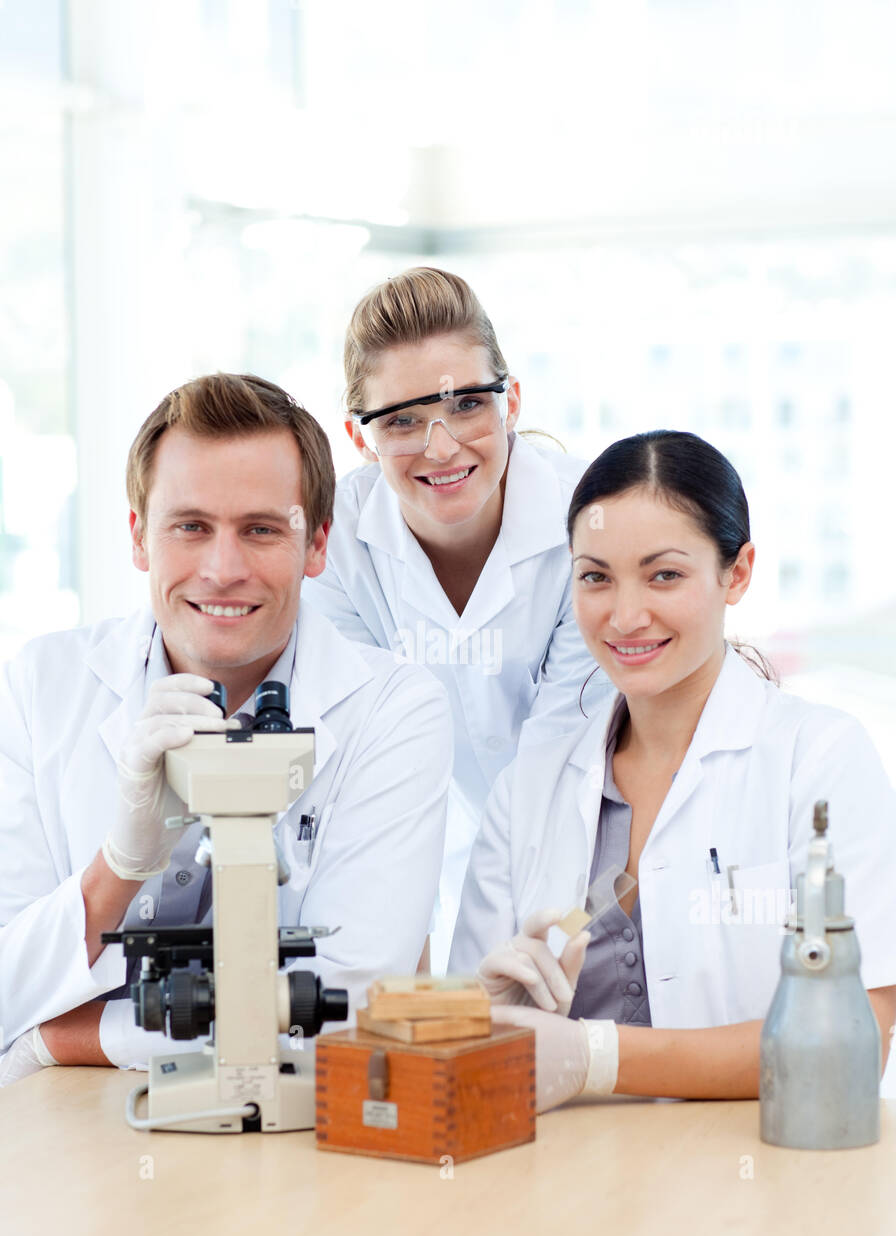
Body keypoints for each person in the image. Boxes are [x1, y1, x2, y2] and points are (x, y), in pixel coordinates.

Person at [0, 372, 452, 1085]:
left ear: (317, 546)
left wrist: (65, 1038)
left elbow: (356, 1013)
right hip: (66, 1149)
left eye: (262, 529)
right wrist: (119, 867)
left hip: (292, 1147)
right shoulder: (39, 688)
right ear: (138, 537)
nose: (223, 569)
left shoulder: (395, 710)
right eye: (190, 527)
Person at [448, 430, 896, 1111]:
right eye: (595, 576)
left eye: (665, 575)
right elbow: (463, 1056)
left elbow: (849, 1042)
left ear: (736, 573)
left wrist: (594, 1055)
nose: (626, 616)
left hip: (760, 1197)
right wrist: (482, 1019)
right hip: (561, 1191)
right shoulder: (529, 788)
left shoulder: (820, 760)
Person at [302, 267, 609, 954]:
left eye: (468, 404)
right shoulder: (335, 547)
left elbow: (556, 762)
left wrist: (487, 976)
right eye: (403, 419)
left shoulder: (589, 522)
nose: (441, 447)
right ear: (359, 437)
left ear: (512, 402)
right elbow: (366, 763)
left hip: (579, 855)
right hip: (414, 863)